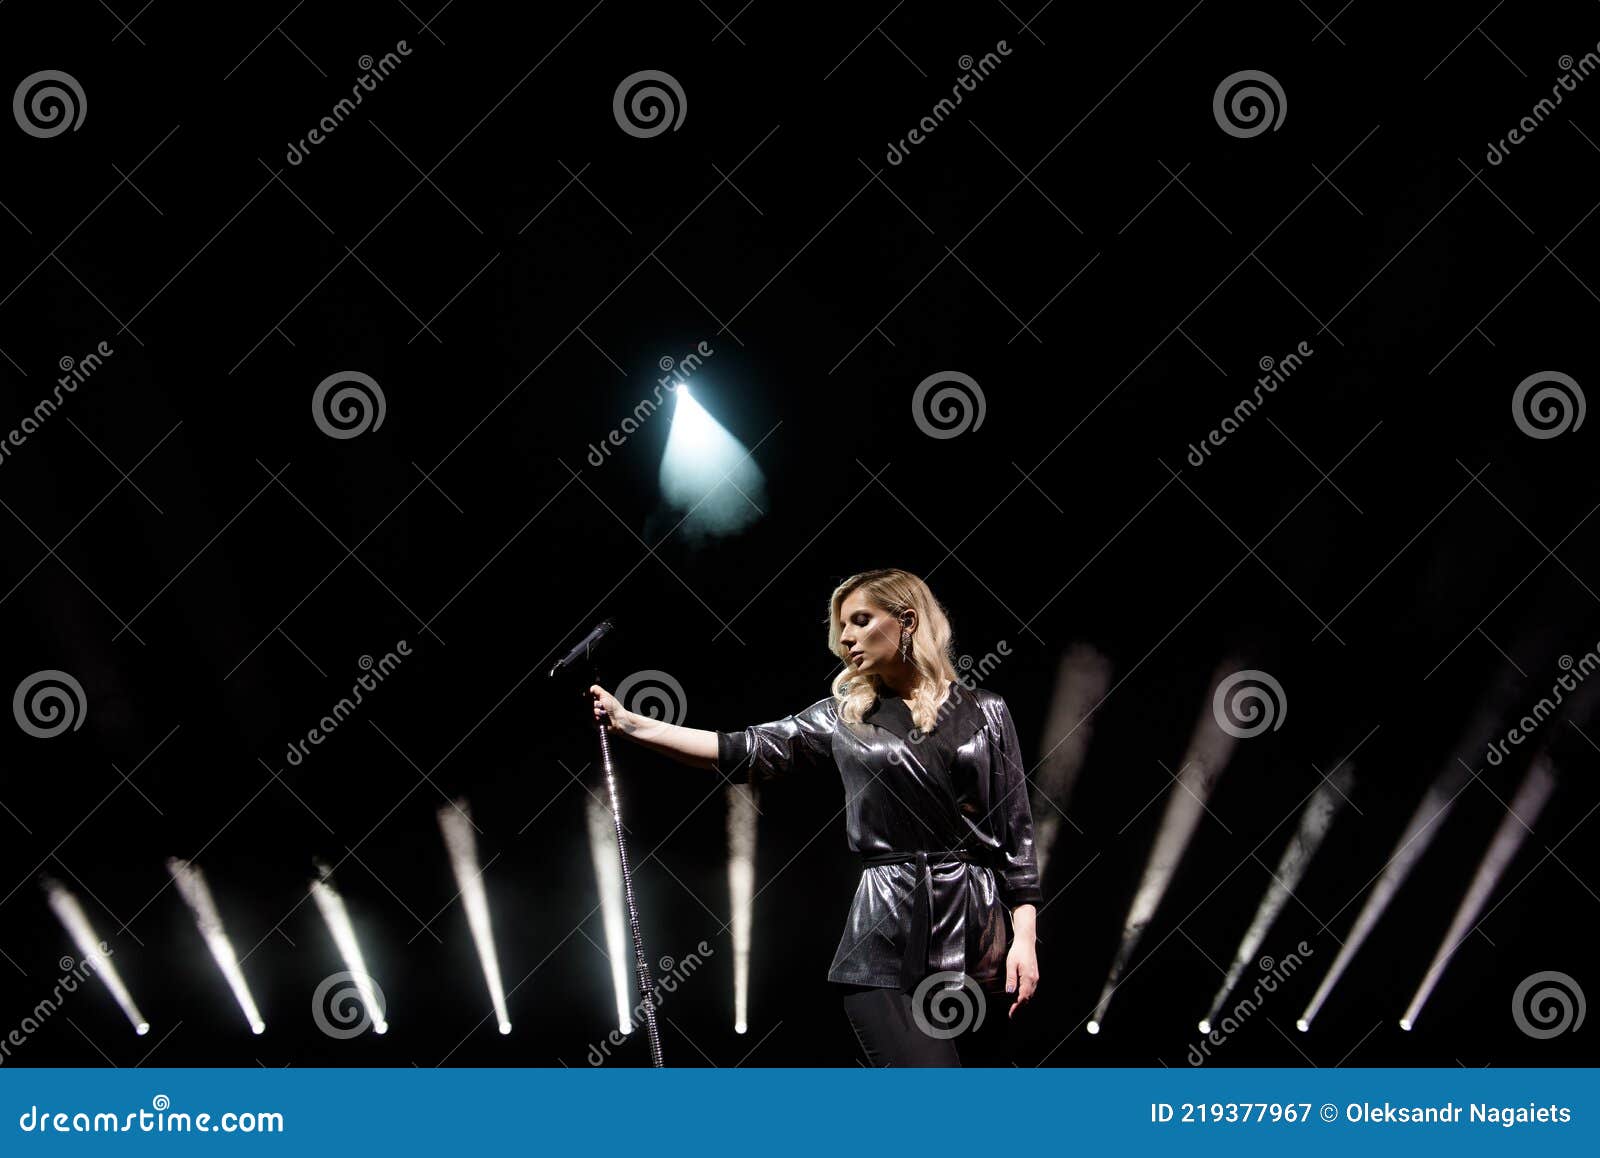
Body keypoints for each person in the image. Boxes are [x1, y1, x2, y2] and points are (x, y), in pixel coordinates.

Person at [588, 567, 1042, 1065]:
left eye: (860, 620)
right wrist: (632, 723)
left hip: (979, 936)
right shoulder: (843, 716)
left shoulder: (985, 711)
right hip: (885, 935)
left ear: (907, 620)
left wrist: (1024, 939)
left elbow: (1016, 839)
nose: (844, 637)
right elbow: (743, 749)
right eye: (840, 626)